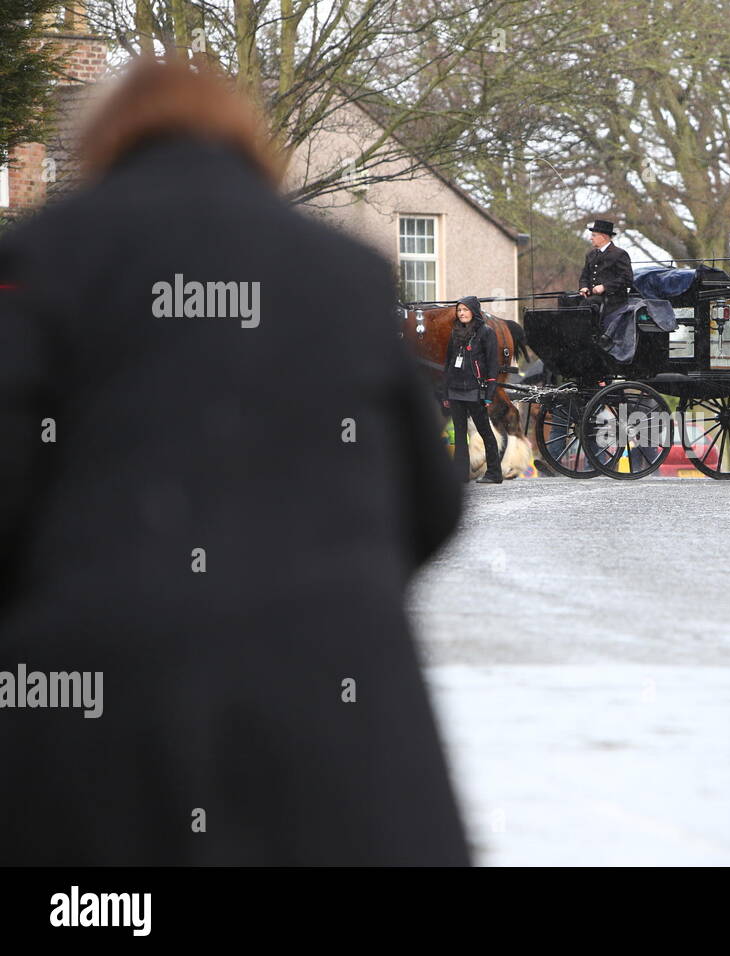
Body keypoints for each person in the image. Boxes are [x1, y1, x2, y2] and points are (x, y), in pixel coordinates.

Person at [0, 60, 470, 865]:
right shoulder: (345, 272)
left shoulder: (41, 259)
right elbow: (434, 502)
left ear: (107, 142)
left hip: (99, 710)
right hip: (335, 703)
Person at [442, 296, 503, 484]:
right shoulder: (455, 333)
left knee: (485, 431)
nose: (461, 314)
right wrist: (446, 392)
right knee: (460, 434)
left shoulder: (486, 332)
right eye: (459, 311)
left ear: (474, 311)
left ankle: (494, 472)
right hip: (455, 389)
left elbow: (493, 365)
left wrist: (489, 392)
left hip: (475, 390)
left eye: (465, 310)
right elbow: (449, 363)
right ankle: (461, 474)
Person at [578, 218, 634, 325]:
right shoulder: (591, 255)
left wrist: (604, 287)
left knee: (587, 304)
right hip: (592, 298)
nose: (591, 238)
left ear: (603, 237)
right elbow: (584, 276)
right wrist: (583, 287)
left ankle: (585, 334)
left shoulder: (619, 254)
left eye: (594, 235)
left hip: (613, 299)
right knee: (567, 300)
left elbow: (627, 279)